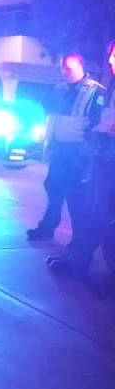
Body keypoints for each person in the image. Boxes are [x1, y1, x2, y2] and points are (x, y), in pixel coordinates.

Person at [50, 43, 115, 274]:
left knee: (96, 212)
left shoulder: (96, 89)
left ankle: (79, 260)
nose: (112, 61)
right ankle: (78, 256)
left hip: (99, 157)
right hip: (98, 155)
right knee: (93, 210)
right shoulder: (109, 87)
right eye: (111, 55)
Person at [28, 53, 103, 243]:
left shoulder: (94, 91)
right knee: (53, 188)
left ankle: (78, 241)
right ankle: (47, 228)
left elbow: (97, 121)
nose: (65, 72)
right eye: (63, 67)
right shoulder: (60, 88)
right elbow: (49, 110)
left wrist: (88, 147)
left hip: (77, 152)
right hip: (59, 148)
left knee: (75, 197)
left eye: (69, 68)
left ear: (82, 66)